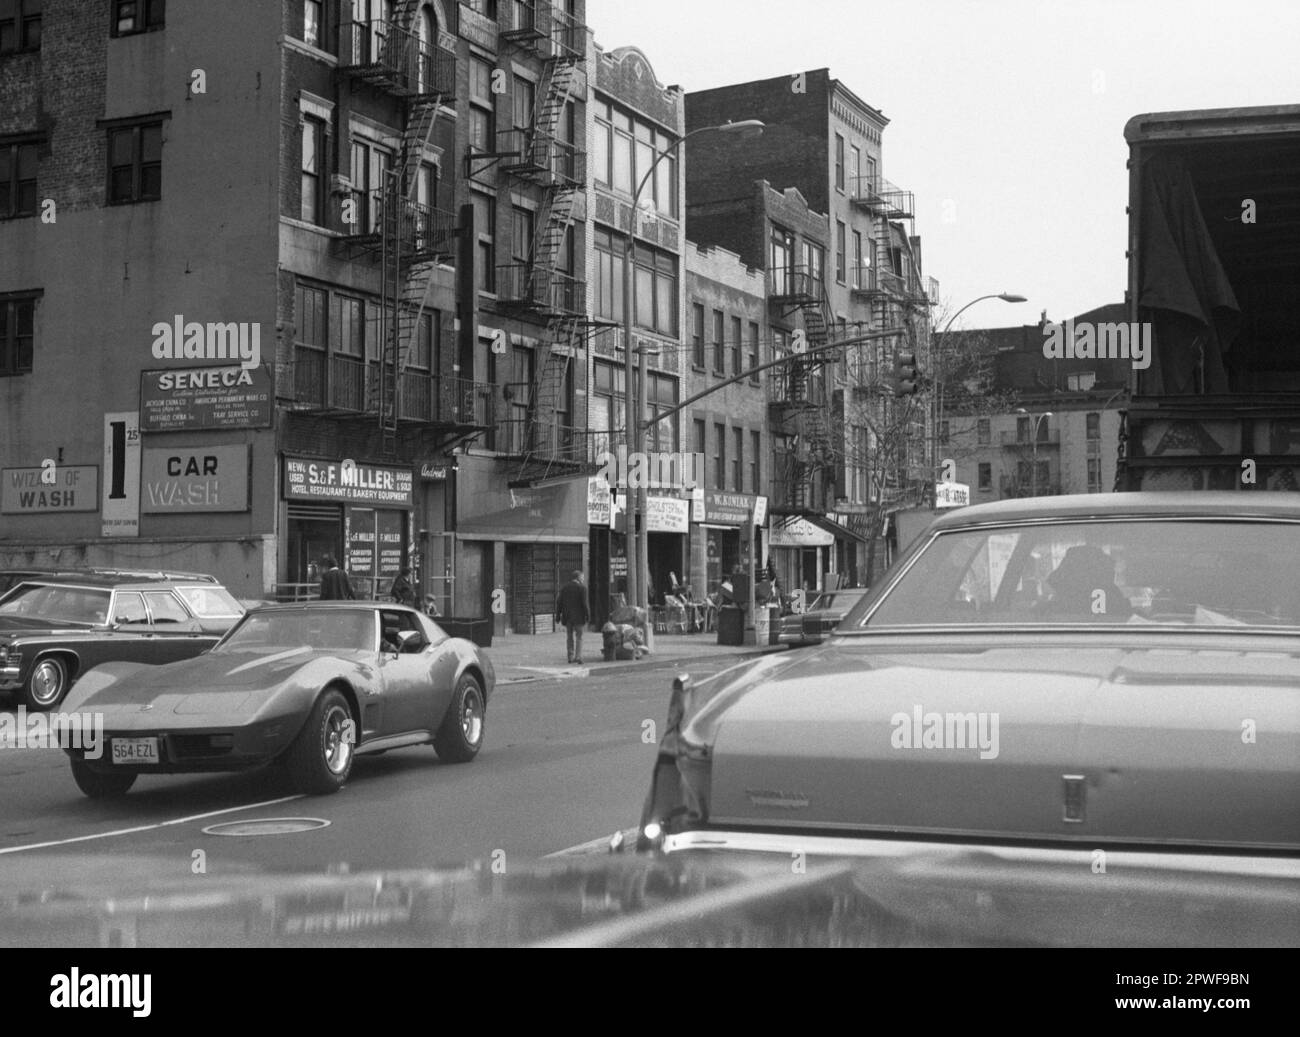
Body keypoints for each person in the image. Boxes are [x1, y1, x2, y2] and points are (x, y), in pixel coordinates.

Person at [555, 569, 590, 664]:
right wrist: (588, 615)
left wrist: (558, 616)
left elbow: (559, 603)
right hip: (579, 617)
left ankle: (570, 656)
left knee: (569, 636)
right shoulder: (582, 588)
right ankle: (578, 657)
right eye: (582, 577)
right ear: (578, 577)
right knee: (579, 636)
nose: (583, 579)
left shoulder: (564, 588)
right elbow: (584, 604)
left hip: (567, 617)